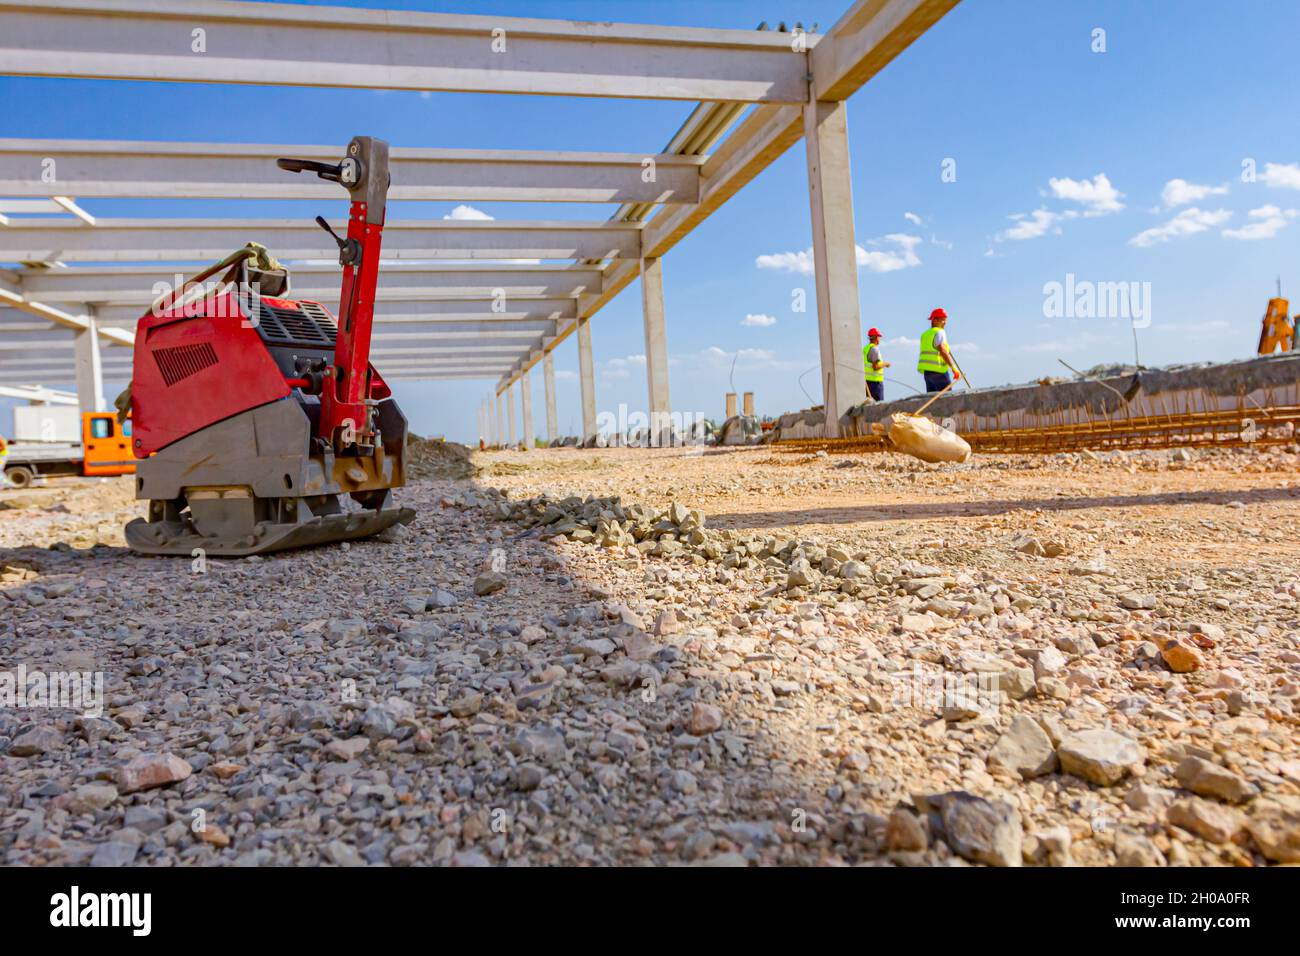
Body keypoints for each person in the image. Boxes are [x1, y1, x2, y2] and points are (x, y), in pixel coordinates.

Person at [917, 307, 961, 393]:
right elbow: (942, 350)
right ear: (934, 320)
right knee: (947, 398)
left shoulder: (925, 334)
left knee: (932, 398)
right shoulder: (940, 332)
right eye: (942, 320)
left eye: (945, 320)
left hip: (928, 373)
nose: (945, 323)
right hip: (939, 371)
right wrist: (953, 368)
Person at [863, 327, 889, 402]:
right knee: (878, 406)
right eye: (879, 337)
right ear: (876, 338)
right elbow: (875, 367)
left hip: (867, 382)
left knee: (869, 405)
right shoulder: (874, 349)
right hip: (875, 384)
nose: (879, 339)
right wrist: (885, 364)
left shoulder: (865, 349)